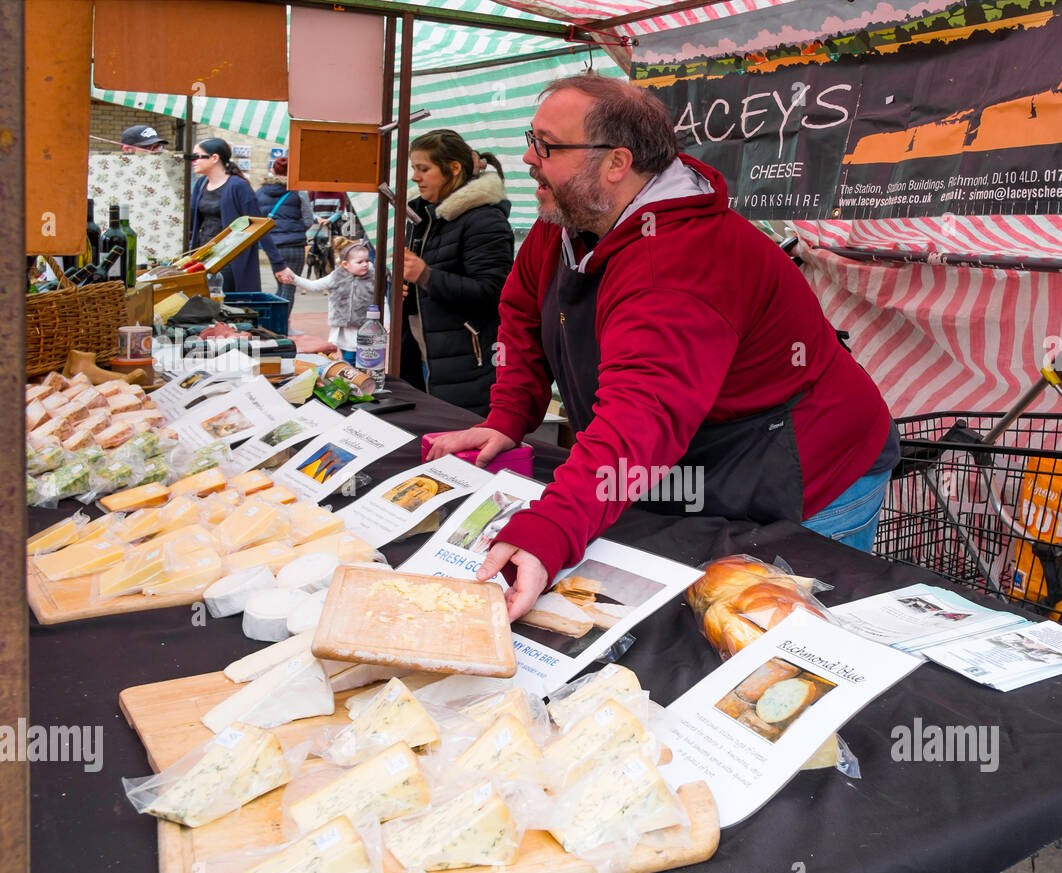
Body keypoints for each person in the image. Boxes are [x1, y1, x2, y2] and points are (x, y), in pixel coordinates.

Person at [429, 74, 899, 621]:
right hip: (693, 462)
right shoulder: (567, 219)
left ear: (616, 163)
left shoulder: (679, 264)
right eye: (533, 140)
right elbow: (521, 315)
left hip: (806, 466)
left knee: (783, 638)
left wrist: (551, 529)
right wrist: (510, 415)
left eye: (546, 146)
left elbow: (641, 416)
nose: (528, 158)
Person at [399, 129, 514, 414]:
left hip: (469, 366)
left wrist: (425, 276)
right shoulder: (422, 216)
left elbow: (493, 292)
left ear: (453, 169)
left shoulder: (485, 220)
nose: (415, 177)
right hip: (427, 358)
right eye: (414, 168)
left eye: (424, 169)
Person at [188, 137, 292, 295]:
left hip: (229, 260)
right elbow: (192, 224)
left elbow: (259, 226)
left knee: (225, 304)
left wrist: (278, 264)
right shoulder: (201, 184)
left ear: (214, 158)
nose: (193, 161)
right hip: (204, 257)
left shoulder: (238, 186)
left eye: (197, 156)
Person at [281, 240, 375, 364]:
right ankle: (352, 377)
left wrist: (387, 321)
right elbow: (313, 285)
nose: (365, 265)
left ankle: (358, 378)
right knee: (349, 358)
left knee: (367, 359)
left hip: (366, 328)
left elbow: (382, 299)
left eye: (367, 261)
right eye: (360, 262)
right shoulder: (336, 277)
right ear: (346, 264)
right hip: (345, 331)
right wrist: (294, 278)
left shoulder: (372, 277)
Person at [256, 156, 316, 318]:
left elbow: (258, 220)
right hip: (294, 245)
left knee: (281, 285)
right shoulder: (298, 192)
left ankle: (275, 320)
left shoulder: (260, 192)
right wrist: (297, 229)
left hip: (271, 246)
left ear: (273, 170)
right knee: (289, 286)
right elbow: (309, 219)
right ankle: (280, 324)